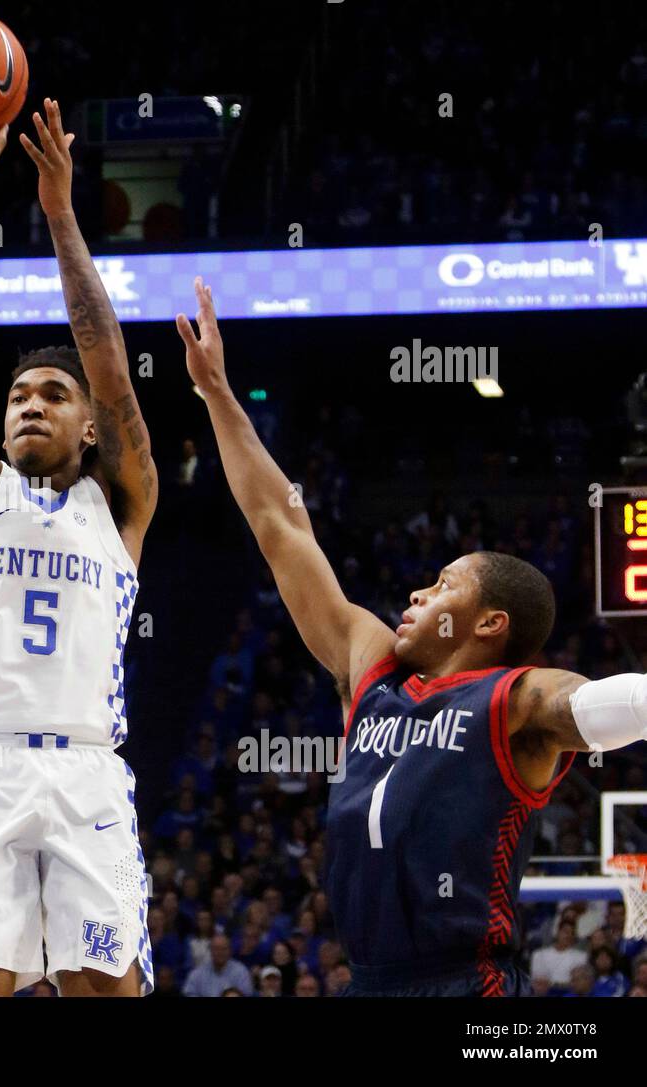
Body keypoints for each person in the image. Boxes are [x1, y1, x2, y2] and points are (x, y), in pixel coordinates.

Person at [177, 277, 647, 996]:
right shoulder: (375, 668)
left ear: (491, 623)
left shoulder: (514, 699)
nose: (420, 592)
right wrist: (216, 393)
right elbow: (282, 526)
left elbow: (591, 707)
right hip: (366, 980)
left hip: (466, 984)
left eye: (445, 583)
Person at [0, 98, 158, 997]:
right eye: (19, 393)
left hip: (90, 767)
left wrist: (60, 214)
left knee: (105, 989)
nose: (28, 403)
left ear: (91, 427)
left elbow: (107, 356)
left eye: (53, 394)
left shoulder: (121, 499)